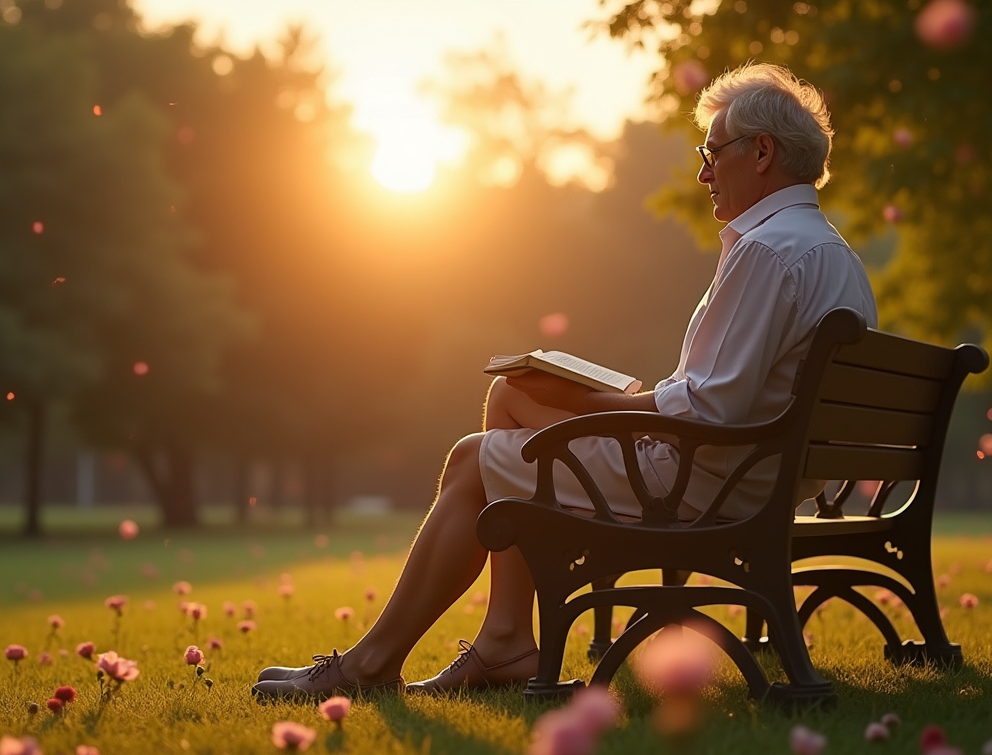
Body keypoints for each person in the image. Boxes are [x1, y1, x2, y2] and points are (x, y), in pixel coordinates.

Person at [250, 62, 877, 699]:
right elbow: (734, 397)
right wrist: (607, 402)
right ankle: (504, 641)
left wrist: (607, 403)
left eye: (712, 152)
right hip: (755, 475)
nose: (704, 172)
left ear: (763, 152)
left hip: (704, 485)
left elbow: (710, 411)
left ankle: (370, 665)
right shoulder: (833, 255)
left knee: (474, 460)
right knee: (514, 393)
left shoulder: (768, 252)